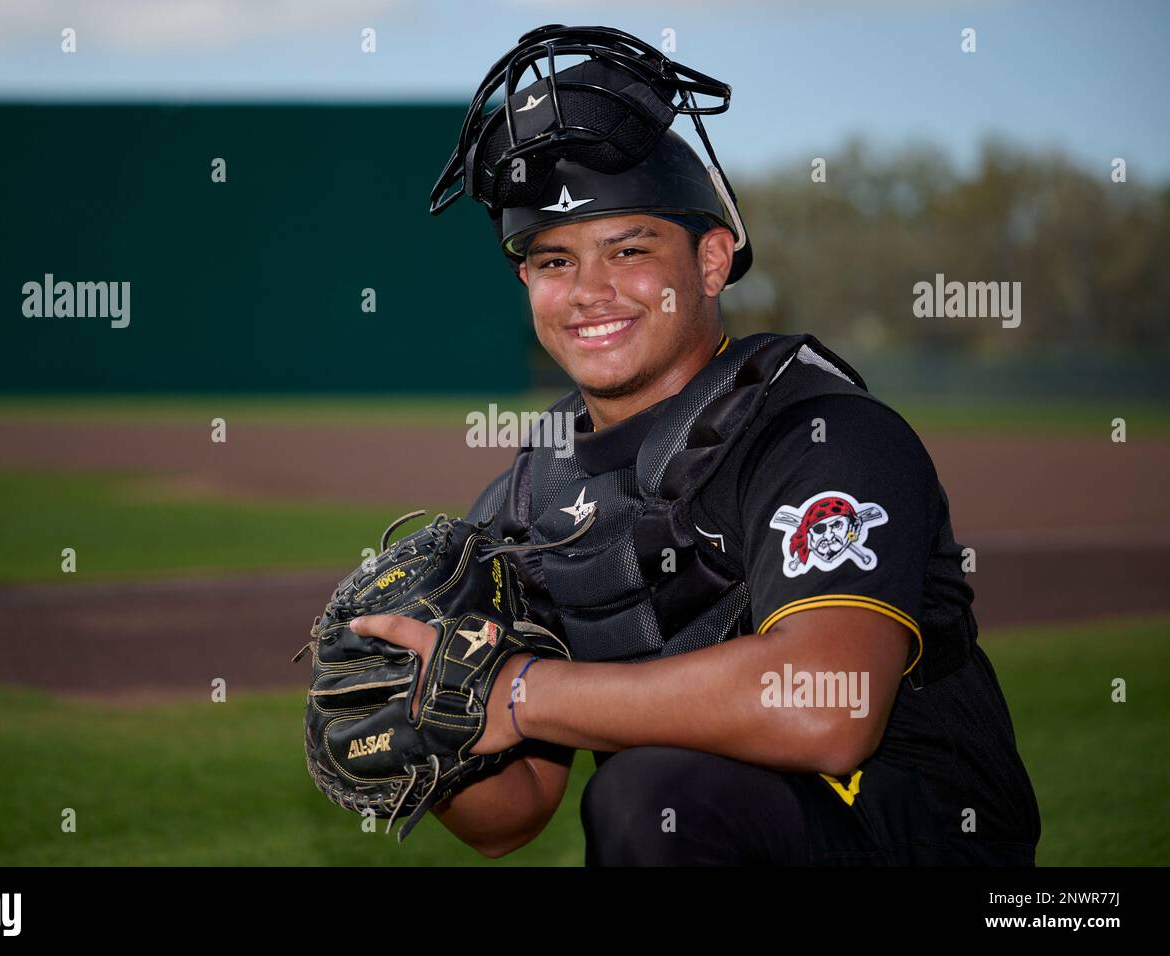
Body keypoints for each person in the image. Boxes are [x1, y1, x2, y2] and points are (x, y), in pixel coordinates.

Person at [349, 25, 1040, 865]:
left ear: (713, 261)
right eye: (553, 261)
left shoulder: (824, 435)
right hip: (701, 828)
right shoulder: (526, 499)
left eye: (628, 250)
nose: (589, 292)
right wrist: (435, 728)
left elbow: (828, 706)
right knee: (652, 802)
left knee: (650, 796)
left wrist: (520, 692)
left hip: (916, 841)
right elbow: (516, 814)